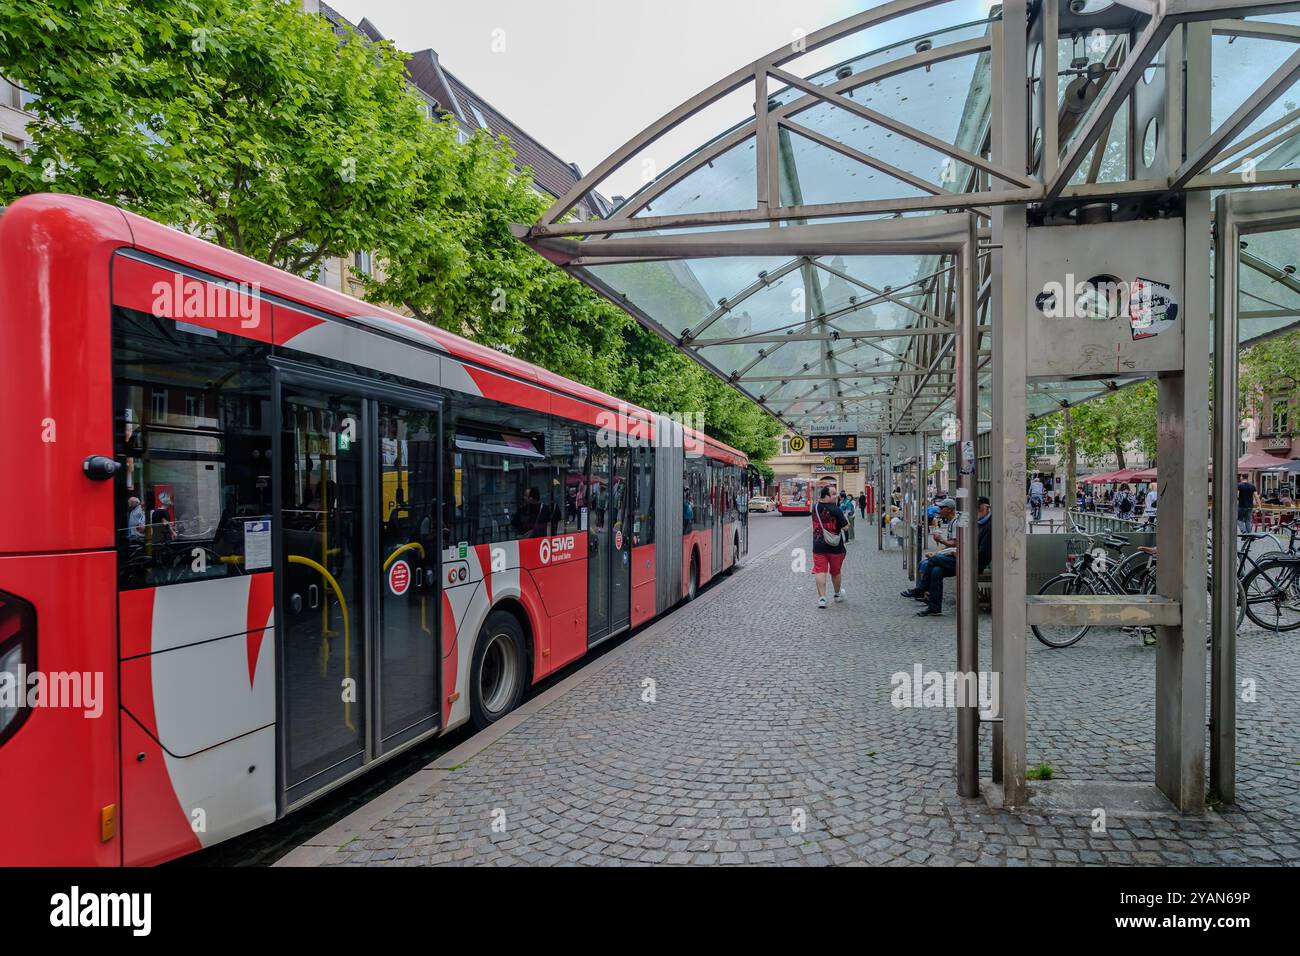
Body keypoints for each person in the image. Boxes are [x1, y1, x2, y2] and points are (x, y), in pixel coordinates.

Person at [904, 497, 993, 616]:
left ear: (983, 509)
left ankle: (921, 589)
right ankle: (934, 607)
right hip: (965, 557)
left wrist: (961, 552)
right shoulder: (978, 523)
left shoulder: (988, 526)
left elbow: (983, 554)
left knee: (934, 559)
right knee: (936, 570)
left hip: (974, 562)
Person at [812, 485, 848, 609]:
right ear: (826, 496)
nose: (836, 495)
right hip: (835, 547)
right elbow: (846, 527)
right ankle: (837, 595)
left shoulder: (815, 507)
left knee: (820, 571)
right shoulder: (836, 510)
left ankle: (822, 598)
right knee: (835, 571)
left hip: (818, 545)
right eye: (833, 494)